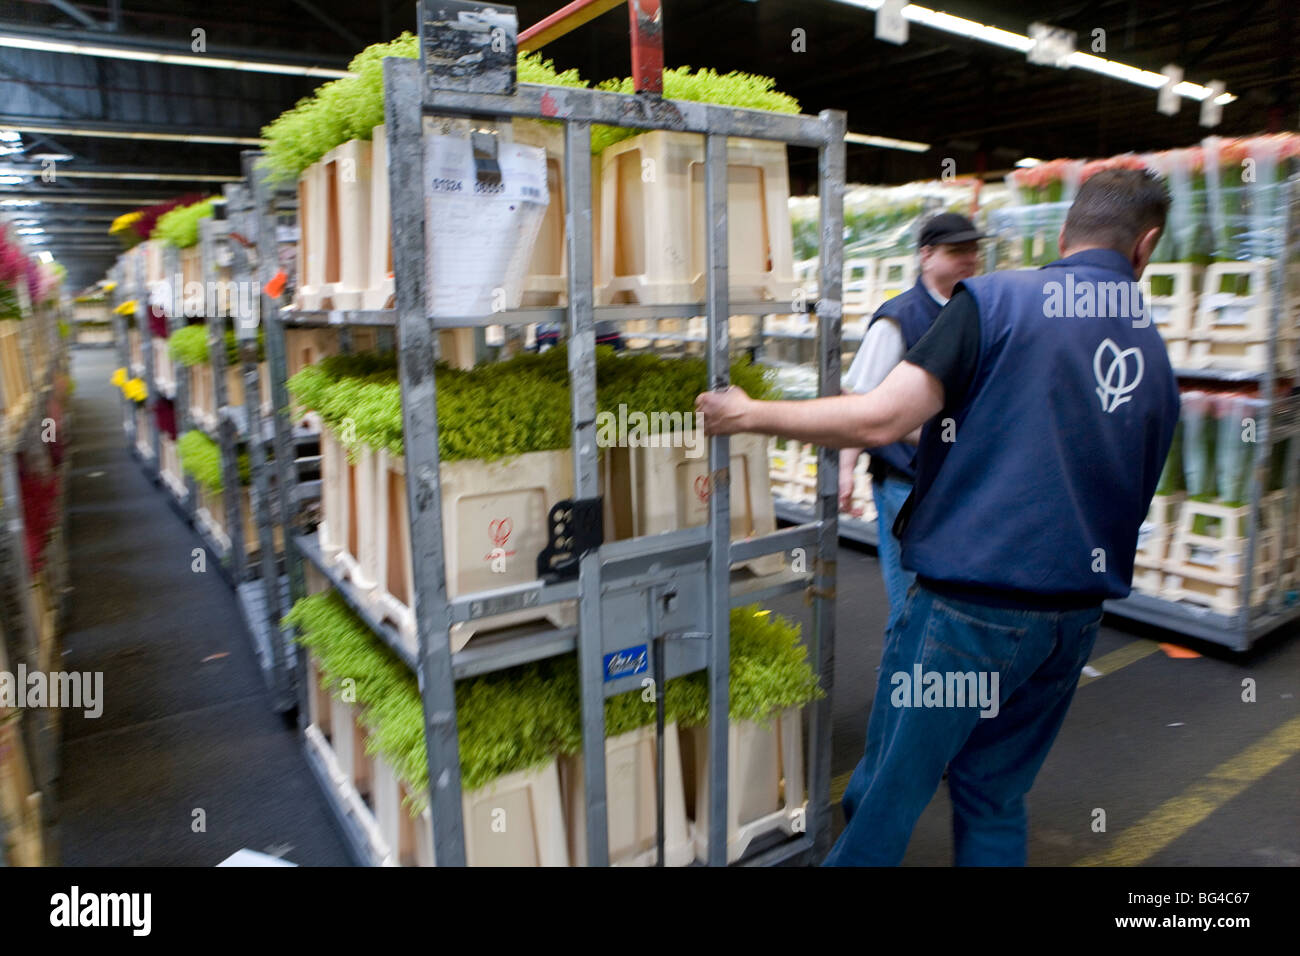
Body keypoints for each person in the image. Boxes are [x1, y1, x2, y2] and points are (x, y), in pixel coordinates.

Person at [695, 168, 1180, 866]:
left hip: (967, 615)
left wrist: (749, 414)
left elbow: (882, 415)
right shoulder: (1155, 355)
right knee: (995, 799)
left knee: (891, 792)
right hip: (1072, 623)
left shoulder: (998, 302)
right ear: (1146, 245)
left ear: (1064, 232)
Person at [840, 212, 984, 642]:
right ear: (926, 255)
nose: (969, 259)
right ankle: (904, 696)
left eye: (974, 250)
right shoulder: (897, 318)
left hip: (962, 481)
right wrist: (845, 470)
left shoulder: (978, 310)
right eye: (956, 251)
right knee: (912, 602)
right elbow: (858, 401)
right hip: (908, 483)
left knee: (952, 599)